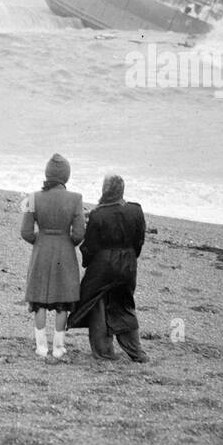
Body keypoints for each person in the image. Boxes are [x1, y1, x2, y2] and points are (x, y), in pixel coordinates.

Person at [68, 174, 148, 363]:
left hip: (103, 265)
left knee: (97, 306)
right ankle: (136, 351)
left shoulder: (98, 214)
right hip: (128, 263)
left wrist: (88, 261)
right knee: (125, 304)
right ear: (122, 190)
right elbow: (139, 240)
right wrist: (130, 256)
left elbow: (90, 245)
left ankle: (104, 352)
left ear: (105, 190)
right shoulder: (136, 210)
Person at [20, 153, 85, 359]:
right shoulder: (76, 199)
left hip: (41, 251)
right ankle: (58, 347)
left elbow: (26, 232)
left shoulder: (32, 198)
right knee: (62, 301)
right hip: (64, 252)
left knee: (39, 299)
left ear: (47, 174)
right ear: (66, 176)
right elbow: (79, 234)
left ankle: (41, 347)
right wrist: (66, 241)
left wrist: (42, 239)